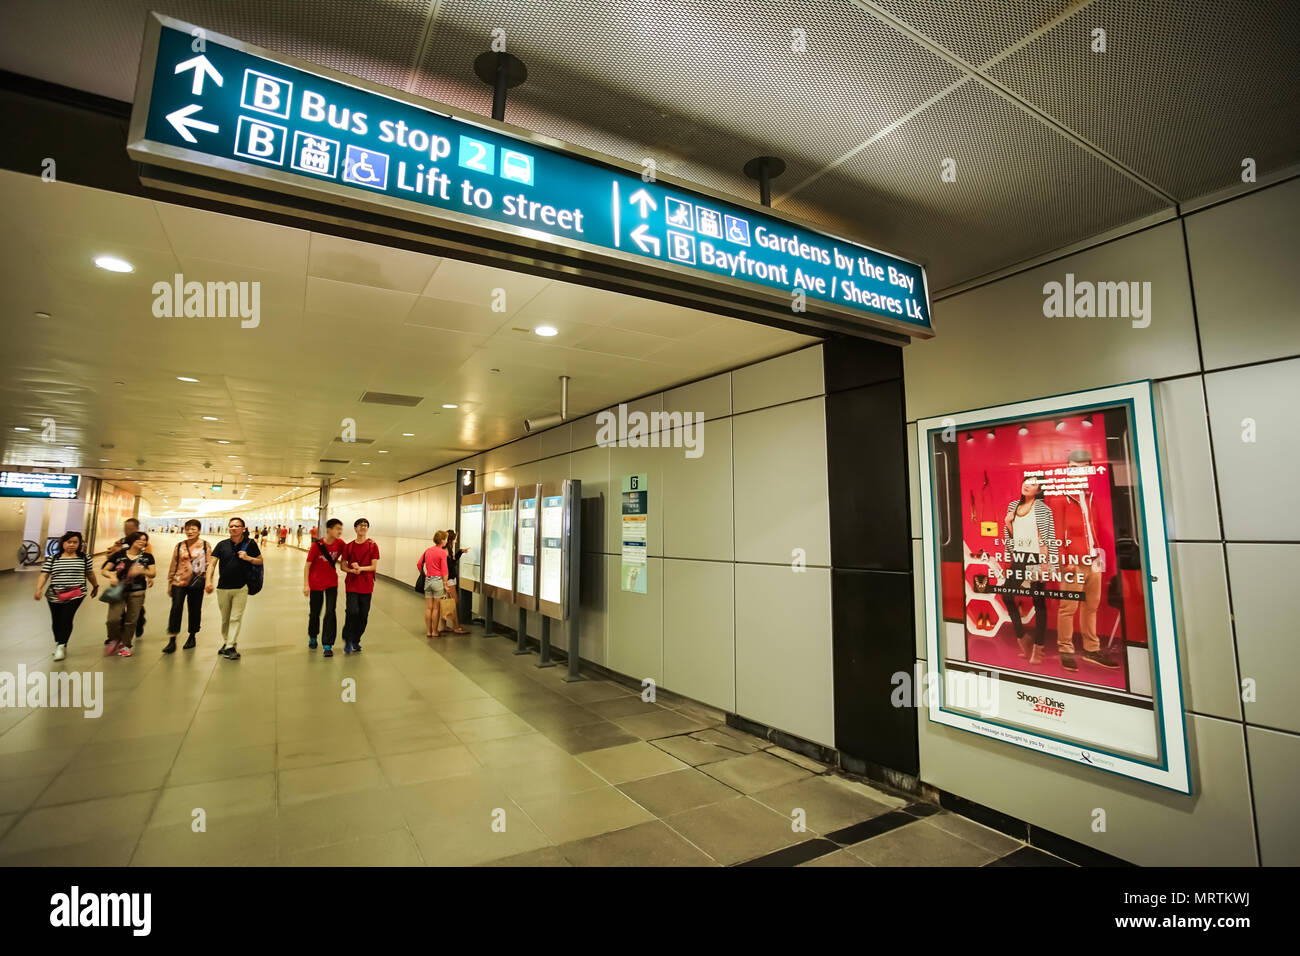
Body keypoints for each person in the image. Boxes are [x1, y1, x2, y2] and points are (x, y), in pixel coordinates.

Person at [1052, 449, 1119, 671]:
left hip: (1093, 561)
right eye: (1073, 467)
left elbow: (1095, 529)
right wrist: (1064, 561)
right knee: (1067, 608)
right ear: (1067, 469)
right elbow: (1054, 534)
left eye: (1083, 468)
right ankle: (1065, 649)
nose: (1078, 472)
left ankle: (1091, 649)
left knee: (1091, 606)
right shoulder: (1060, 497)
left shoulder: (1089, 497)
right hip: (1072, 562)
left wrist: (1099, 556)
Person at [1001, 478, 1057, 664]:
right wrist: (1008, 523)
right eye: (1026, 481)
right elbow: (1010, 535)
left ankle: (1038, 648)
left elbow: (1048, 536)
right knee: (1007, 595)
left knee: (1038, 601)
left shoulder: (1043, 509)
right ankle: (1022, 638)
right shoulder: (1013, 505)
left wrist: (1045, 563)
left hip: (1036, 556)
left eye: (1033, 484)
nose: (1027, 484)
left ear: (1039, 490)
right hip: (1019, 556)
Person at [34, 531, 99, 661]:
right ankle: (59, 642)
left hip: (76, 593)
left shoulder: (84, 558)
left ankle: (61, 646)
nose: (72, 545)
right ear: (63, 543)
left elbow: (90, 573)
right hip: (54, 594)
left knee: (66, 618)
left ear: (79, 544)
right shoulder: (54, 558)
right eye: (69, 542)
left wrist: (95, 585)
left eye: (75, 542)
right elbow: (44, 574)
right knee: (56, 621)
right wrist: (38, 589)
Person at [206, 517, 263, 661]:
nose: (233, 528)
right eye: (231, 526)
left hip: (241, 587)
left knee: (235, 618)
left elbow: (260, 560)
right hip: (223, 588)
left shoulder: (250, 544)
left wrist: (248, 558)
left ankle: (230, 646)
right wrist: (208, 580)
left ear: (243, 528)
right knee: (225, 619)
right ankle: (227, 642)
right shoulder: (221, 545)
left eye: (237, 526)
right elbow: (212, 564)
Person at [101, 531, 155, 657]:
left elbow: (153, 573)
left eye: (144, 540)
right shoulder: (119, 555)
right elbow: (105, 570)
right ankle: (115, 639)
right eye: (139, 539)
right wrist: (111, 576)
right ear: (132, 541)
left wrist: (142, 570)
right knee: (112, 620)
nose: (142, 542)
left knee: (131, 620)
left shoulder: (147, 557)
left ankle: (126, 645)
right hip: (119, 590)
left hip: (137, 591)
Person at [164, 519, 210, 654]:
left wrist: (208, 581)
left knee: (194, 608)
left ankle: (192, 636)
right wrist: (169, 582)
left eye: (193, 529)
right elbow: (174, 564)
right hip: (179, 582)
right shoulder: (179, 546)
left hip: (197, 582)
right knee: (176, 608)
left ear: (199, 531)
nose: (190, 532)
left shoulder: (205, 546)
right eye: (187, 529)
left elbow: (208, 565)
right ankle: (172, 639)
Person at [304, 518, 345, 657]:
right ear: (329, 530)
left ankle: (328, 644)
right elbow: (307, 566)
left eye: (341, 529)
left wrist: (367, 540)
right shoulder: (317, 545)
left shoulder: (340, 544)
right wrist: (306, 584)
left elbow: (352, 548)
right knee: (315, 612)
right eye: (337, 529)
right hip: (316, 583)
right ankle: (313, 636)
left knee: (330, 612)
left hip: (331, 583)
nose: (340, 532)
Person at [108, 517, 153, 641]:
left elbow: (149, 561)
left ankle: (139, 621)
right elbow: (110, 556)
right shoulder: (121, 541)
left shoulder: (144, 544)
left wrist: (149, 575)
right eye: (126, 528)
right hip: (121, 583)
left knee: (135, 611)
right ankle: (116, 635)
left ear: (136, 528)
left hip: (136, 585)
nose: (127, 530)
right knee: (117, 614)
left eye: (130, 528)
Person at [340, 518, 379, 653]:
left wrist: (361, 569)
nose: (363, 528)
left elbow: (374, 566)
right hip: (351, 584)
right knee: (352, 611)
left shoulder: (372, 546)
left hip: (367, 585)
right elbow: (343, 565)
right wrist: (351, 570)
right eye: (360, 525)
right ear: (355, 528)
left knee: (363, 615)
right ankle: (348, 639)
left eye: (366, 526)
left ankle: (356, 639)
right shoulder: (349, 546)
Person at [418, 531, 452, 638]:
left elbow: (419, 564)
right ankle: (434, 632)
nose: (446, 541)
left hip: (428, 581)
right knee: (436, 609)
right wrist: (445, 584)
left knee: (429, 608)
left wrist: (424, 574)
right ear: (442, 540)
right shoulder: (442, 552)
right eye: (446, 539)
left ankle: (428, 632)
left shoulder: (428, 551)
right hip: (438, 582)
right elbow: (444, 570)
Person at [442, 529, 469, 635]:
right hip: (448, 579)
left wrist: (460, 552)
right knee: (454, 602)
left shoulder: (449, 549)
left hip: (449, 579)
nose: (456, 541)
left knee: (447, 602)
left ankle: (443, 626)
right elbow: (449, 565)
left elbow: (452, 562)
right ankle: (456, 626)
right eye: (455, 539)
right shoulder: (445, 551)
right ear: (451, 540)